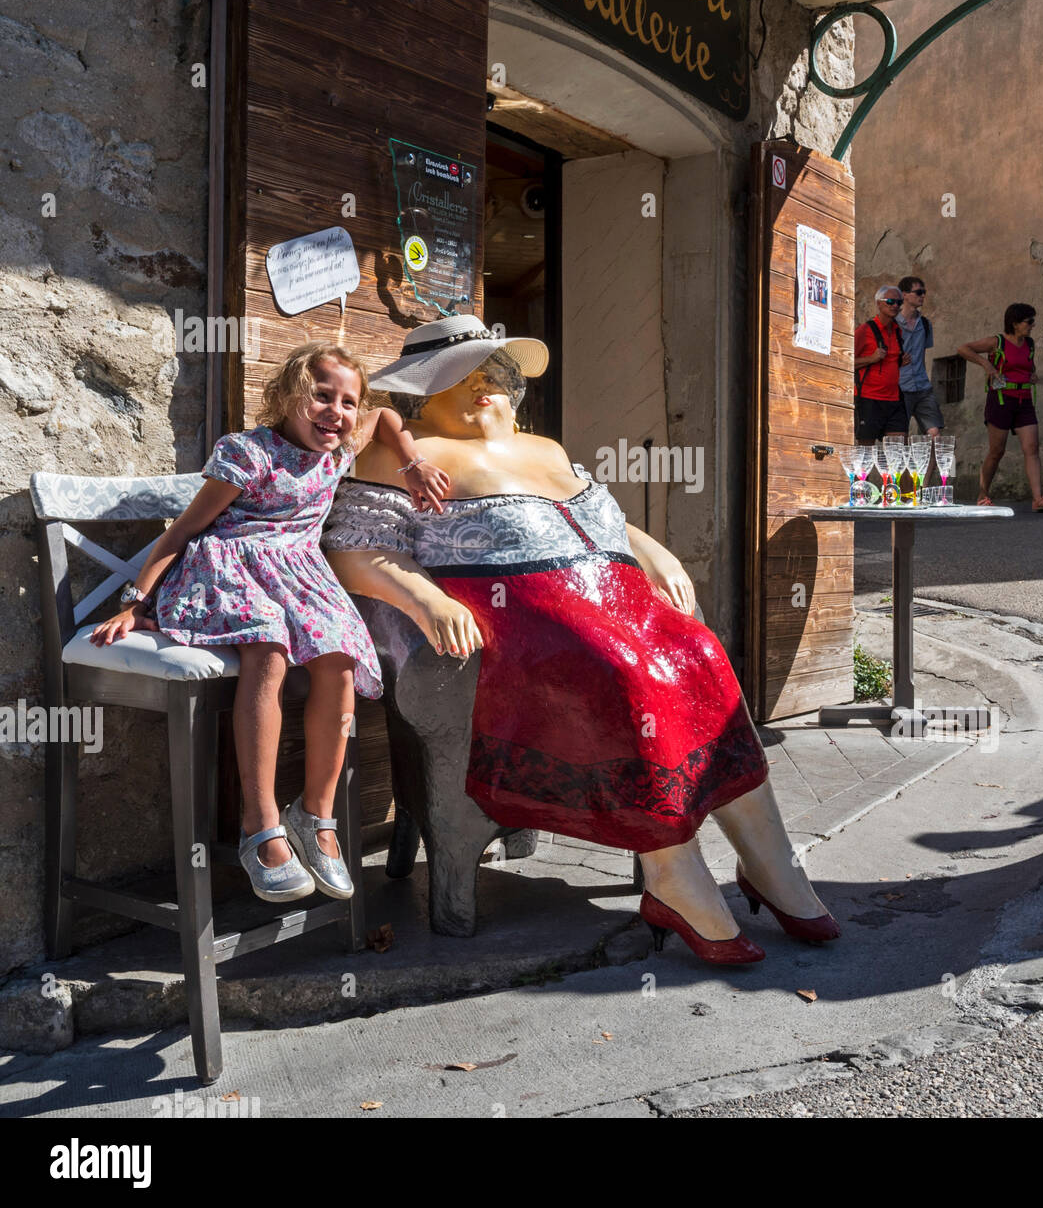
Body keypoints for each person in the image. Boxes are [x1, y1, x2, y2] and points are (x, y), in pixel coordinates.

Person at [322, 314, 839, 966]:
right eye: (467, 374)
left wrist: (653, 553)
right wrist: (425, 598)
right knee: (626, 673)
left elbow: (603, 521)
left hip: (607, 598)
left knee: (699, 652)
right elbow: (355, 548)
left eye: (496, 373)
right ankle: (672, 872)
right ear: (426, 389)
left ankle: (771, 860)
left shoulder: (543, 449)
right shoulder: (405, 451)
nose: (488, 385)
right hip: (511, 620)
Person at [90, 343, 452, 902]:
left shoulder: (337, 449)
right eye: (321, 396)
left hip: (297, 572)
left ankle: (315, 814)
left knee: (338, 655)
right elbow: (183, 531)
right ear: (287, 397)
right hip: (227, 566)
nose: (337, 411)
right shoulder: (248, 453)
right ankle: (259, 826)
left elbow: (386, 416)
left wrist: (411, 460)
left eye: (346, 401)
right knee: (269, 648)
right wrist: (135, 601)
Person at [957, 304, 1043, 512]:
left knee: (1032, 448)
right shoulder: (997, 341)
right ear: (1015, 323)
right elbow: (963, 348)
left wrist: (1033, 375)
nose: (1033, 325)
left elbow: (1028, 365)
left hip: (1024, 399)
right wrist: (985, 364)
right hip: (1001, 399)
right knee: (997, 451)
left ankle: (1038, 499)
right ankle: (983, 494)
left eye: (1033, 321)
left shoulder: (1029, 343)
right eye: (1029, 322)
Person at [854, 285, 910, 442]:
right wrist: (870, 359)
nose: (895, 306)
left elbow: (888, 362)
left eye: (899, 303)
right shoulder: (865, 330)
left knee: (898, 451)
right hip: (869, 398)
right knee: (866, 452)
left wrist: (900, 362)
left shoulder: (898, 330)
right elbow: (845, 363)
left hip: (894, 399)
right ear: (879, 303)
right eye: (890, 301)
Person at [896, 276, 944, 439]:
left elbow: (922, 356)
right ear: (904, 295)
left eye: (924, 292)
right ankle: (904, 466)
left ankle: (930, 466)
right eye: (918, 292)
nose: (922, 296)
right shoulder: (893, 323)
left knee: (935, 436)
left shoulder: (925, 323)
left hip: (922, 387)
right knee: (899, 437)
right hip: (900, 388)